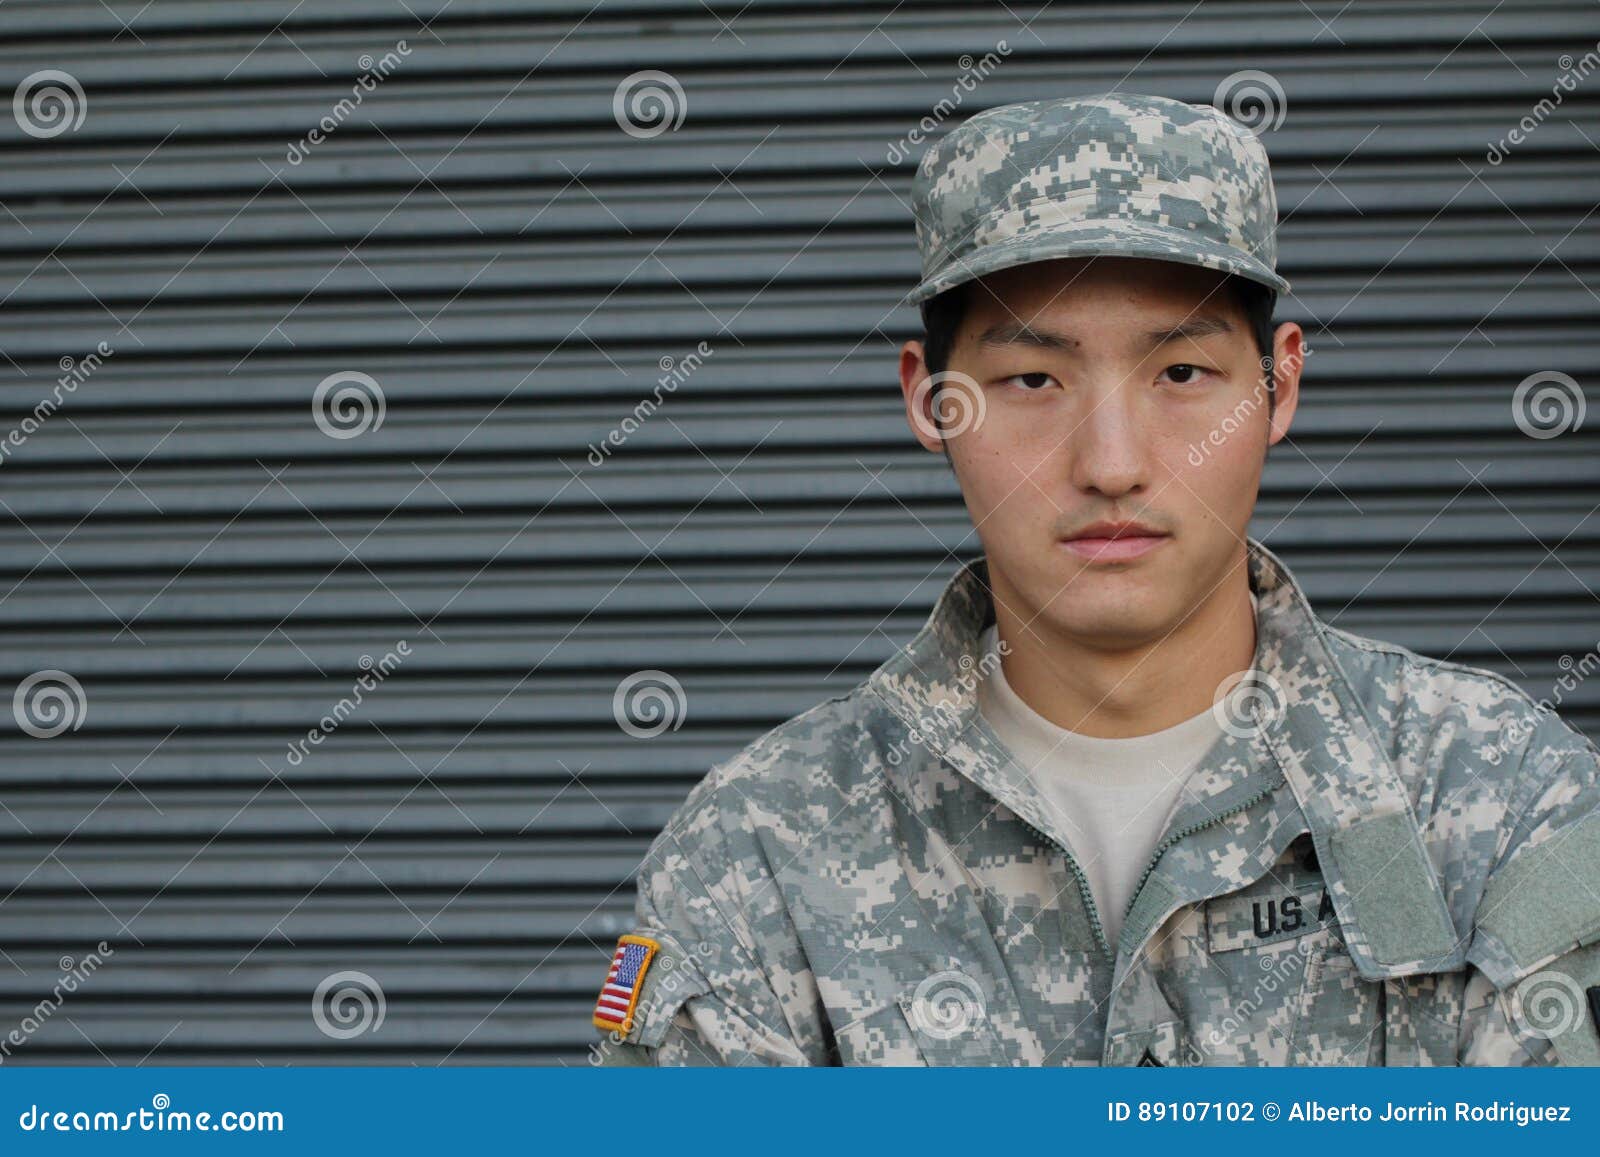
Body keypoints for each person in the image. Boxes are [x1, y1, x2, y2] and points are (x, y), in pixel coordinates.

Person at [589, 91, 1600, 1066]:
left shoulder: (1497, 796)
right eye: (1032, 380)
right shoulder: (757, 849)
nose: (1110, 461)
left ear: (1277, 385)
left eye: (1179, 373)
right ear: (932, 400)